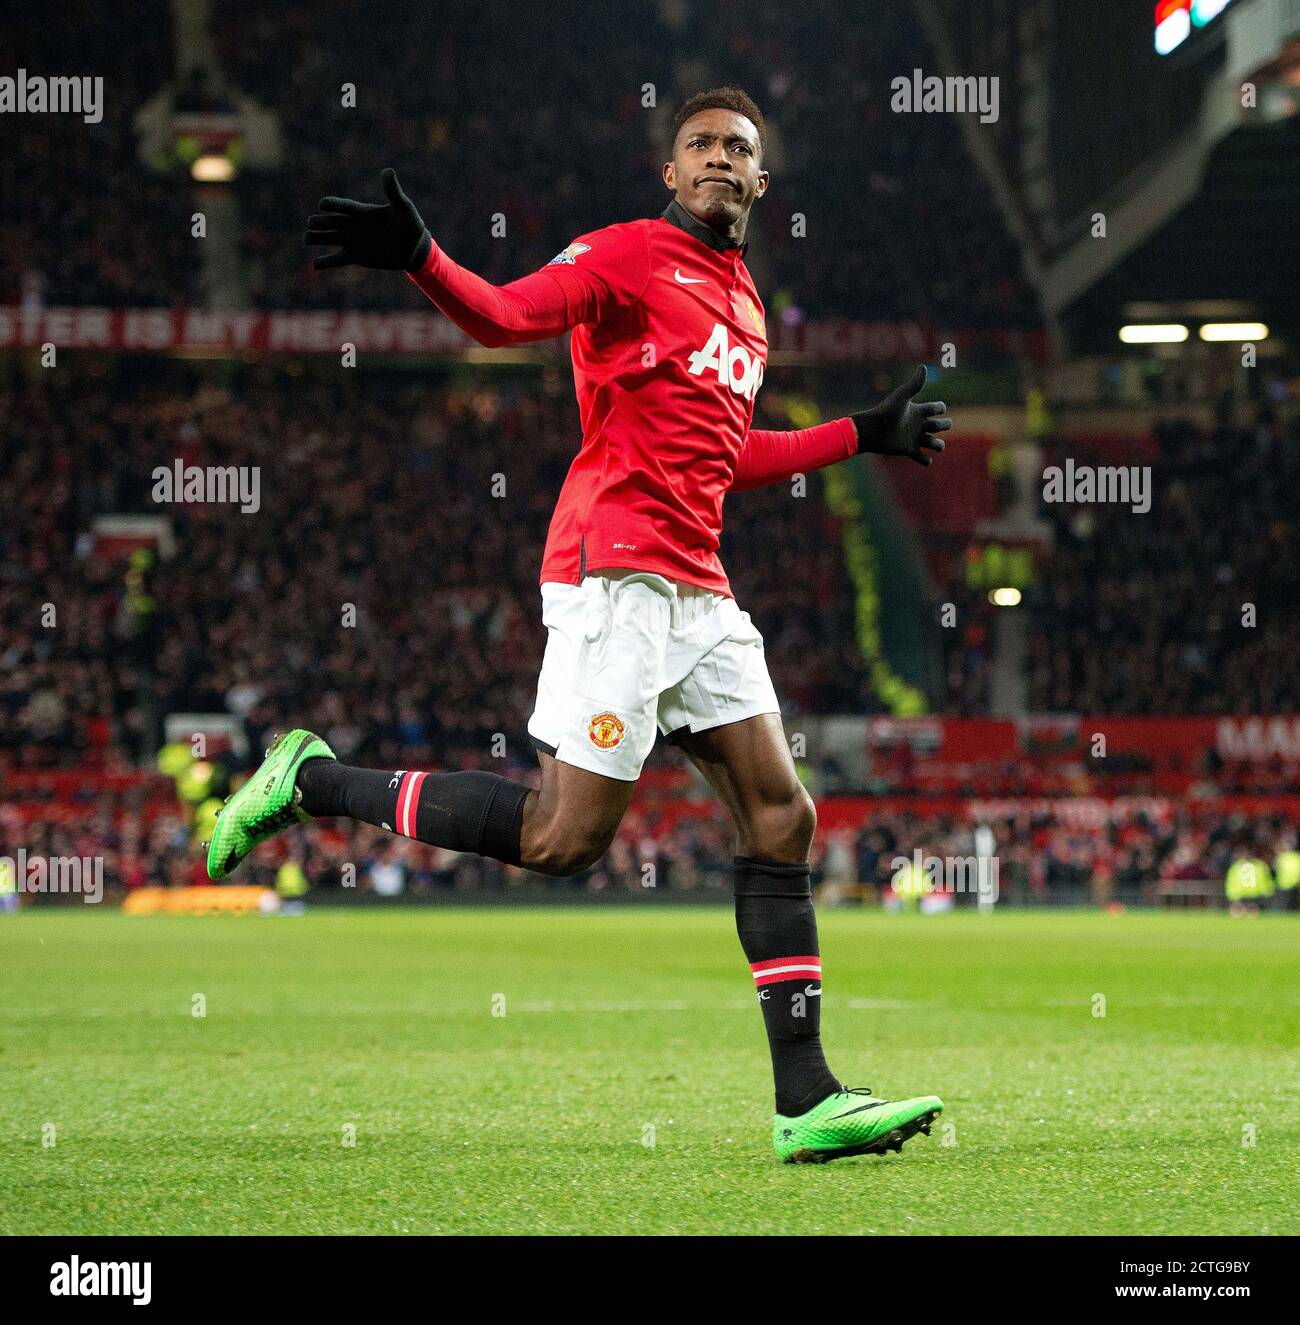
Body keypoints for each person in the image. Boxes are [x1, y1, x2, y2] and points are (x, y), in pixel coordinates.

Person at [210, 86, 950, 1163]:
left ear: (760, 182)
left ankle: (808, 1099)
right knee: (564, 839)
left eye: (736, 149)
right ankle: (310, 780)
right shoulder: (622, 256)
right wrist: (421, 252)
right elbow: (503, 315)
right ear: (669, 169)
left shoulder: (743, 304)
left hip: (697, 584)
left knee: (781, 818)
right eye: (697, 144)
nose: (716, 159)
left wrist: (859, 434)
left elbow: (728, 455)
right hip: (616, 570)